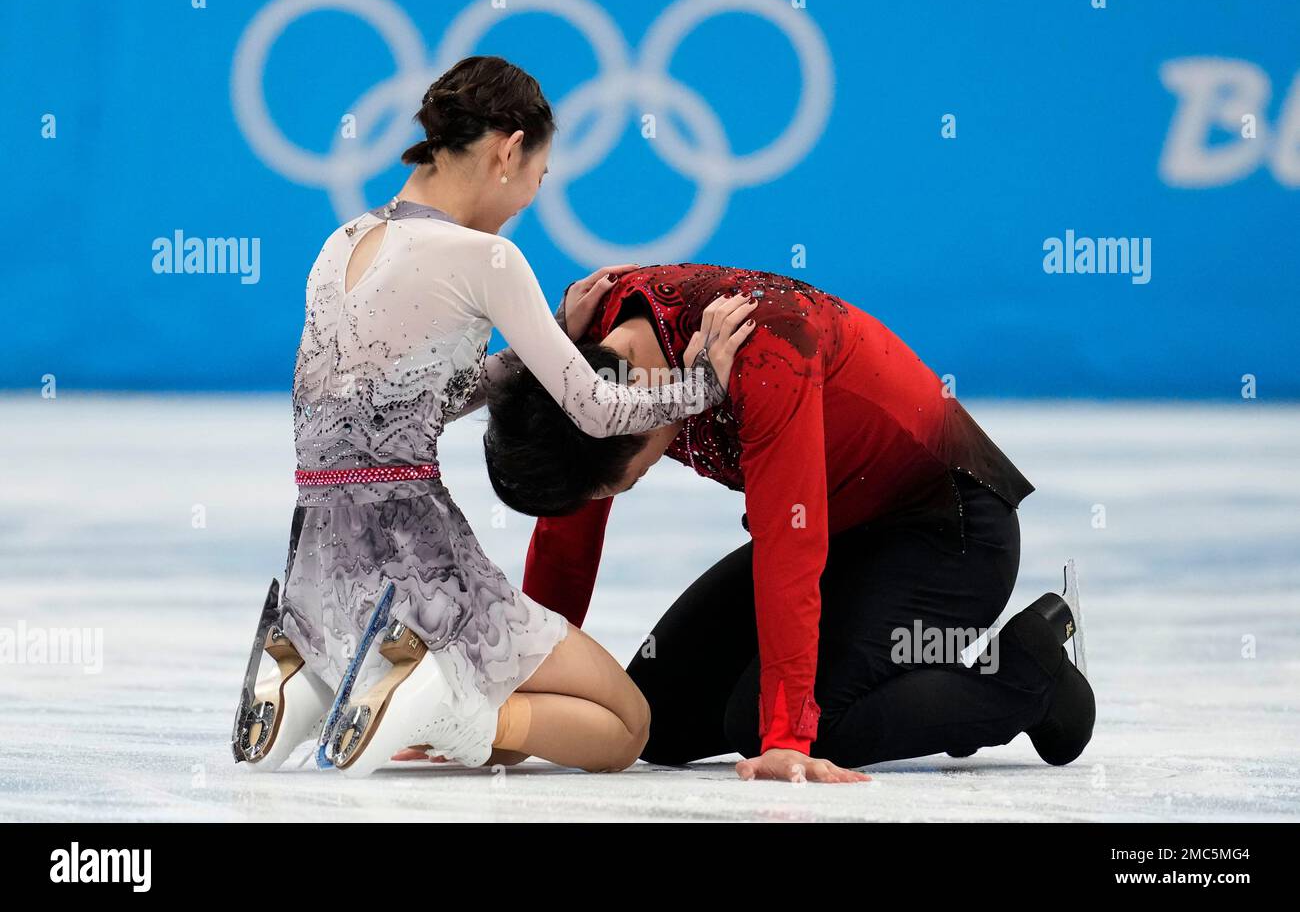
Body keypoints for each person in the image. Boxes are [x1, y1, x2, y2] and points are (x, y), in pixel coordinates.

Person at [230, 57, 756, 778]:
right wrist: (704, 385)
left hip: (319, 562)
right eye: (536, 181)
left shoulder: (340, 244)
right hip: (414, 555)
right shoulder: (488, 258)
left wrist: (541, 349)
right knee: (624, 725)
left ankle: (309, 687)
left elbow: (411, 410)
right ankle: (441, 701)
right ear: (509, 150)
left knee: (523, 721)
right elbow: (598, 410)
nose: (524, 205)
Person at [483, 263, 1096, 783]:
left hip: (948, 532)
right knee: (652, 722)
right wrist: (520, 684)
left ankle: (1028, 679)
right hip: (842, 531)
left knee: (782, 725)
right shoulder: (586, 349)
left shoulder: (764, 351)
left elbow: (790, 542)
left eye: (625, 480)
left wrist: (785, 737)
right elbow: (566, 540)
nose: (613, 495)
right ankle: (917, 686)